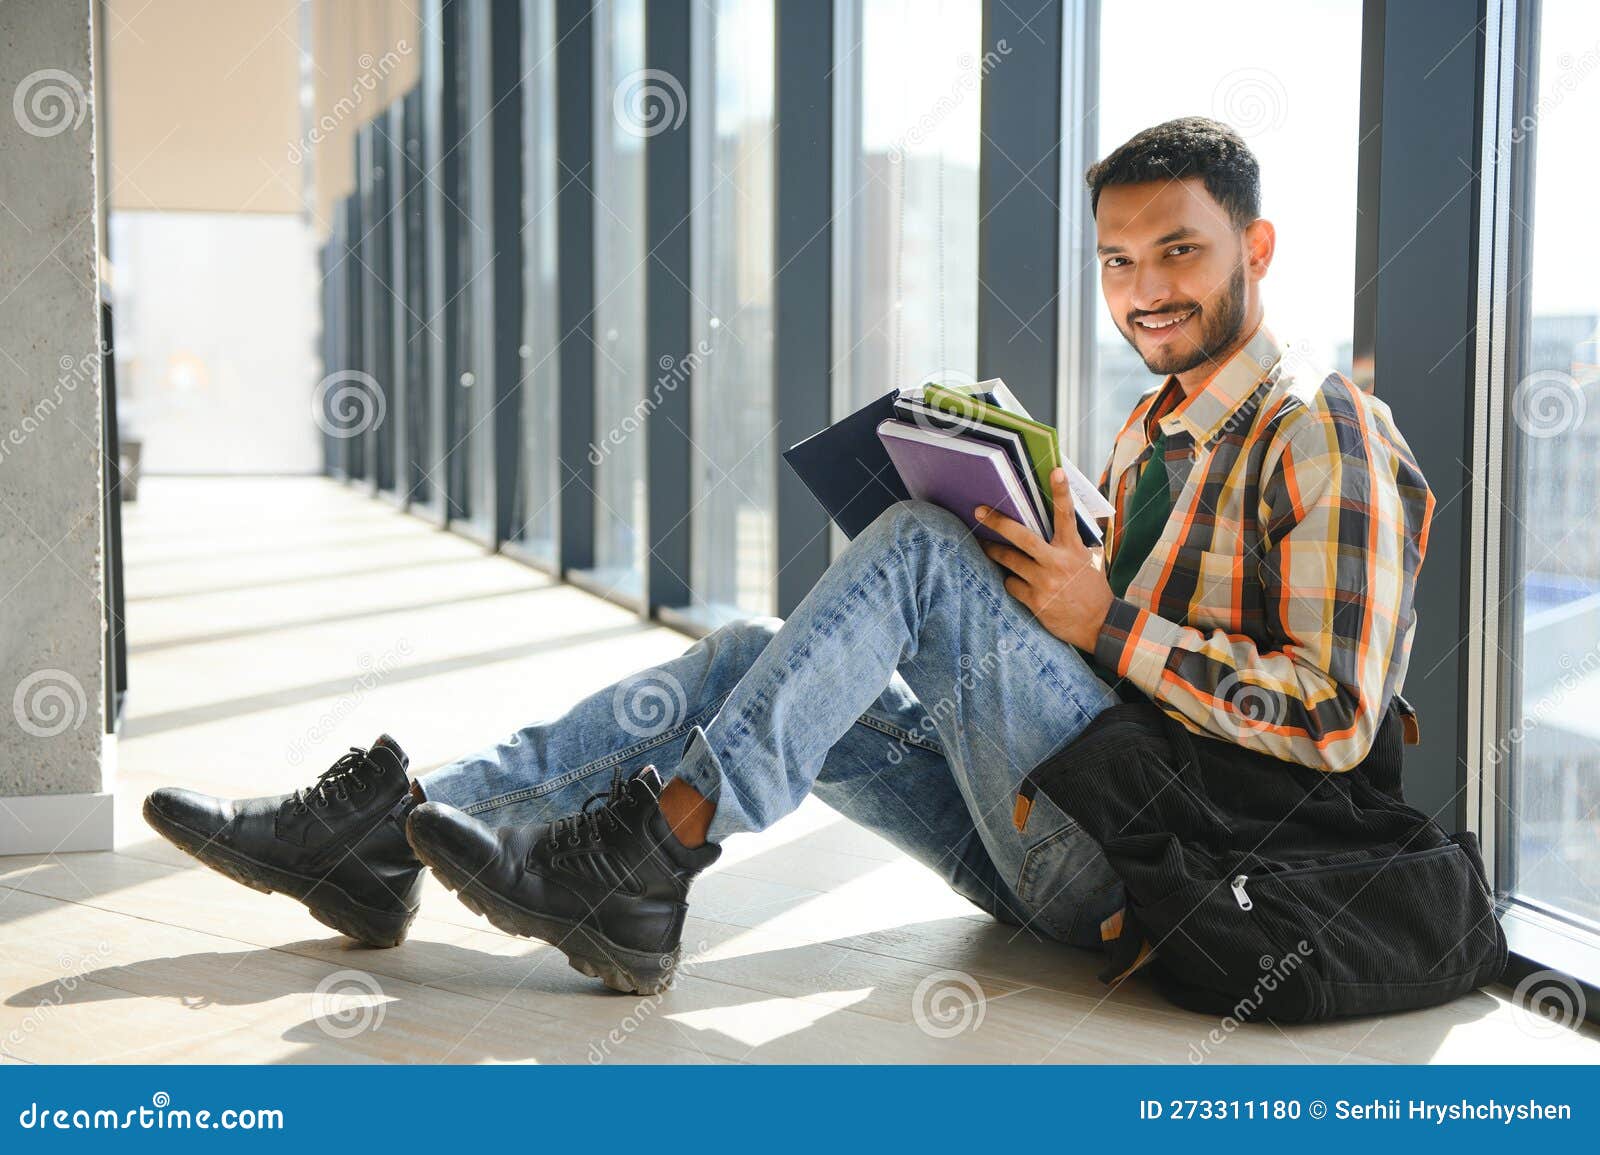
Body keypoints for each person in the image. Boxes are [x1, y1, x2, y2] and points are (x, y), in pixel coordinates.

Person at [143, 117, 1433, 996]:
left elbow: (1327, 716)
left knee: (923, 551)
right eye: (1117, 260)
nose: (1144, 288)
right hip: (1061, 835)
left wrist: (1103, 621)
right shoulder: (1156, 427)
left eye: (1179, 252)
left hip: (1172, 873)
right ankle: (395, 830)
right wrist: (1069, 558)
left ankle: (654, 858)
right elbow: (1127, 660)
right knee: (750, 654)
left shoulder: (1325, 432)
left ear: (1256, 249)